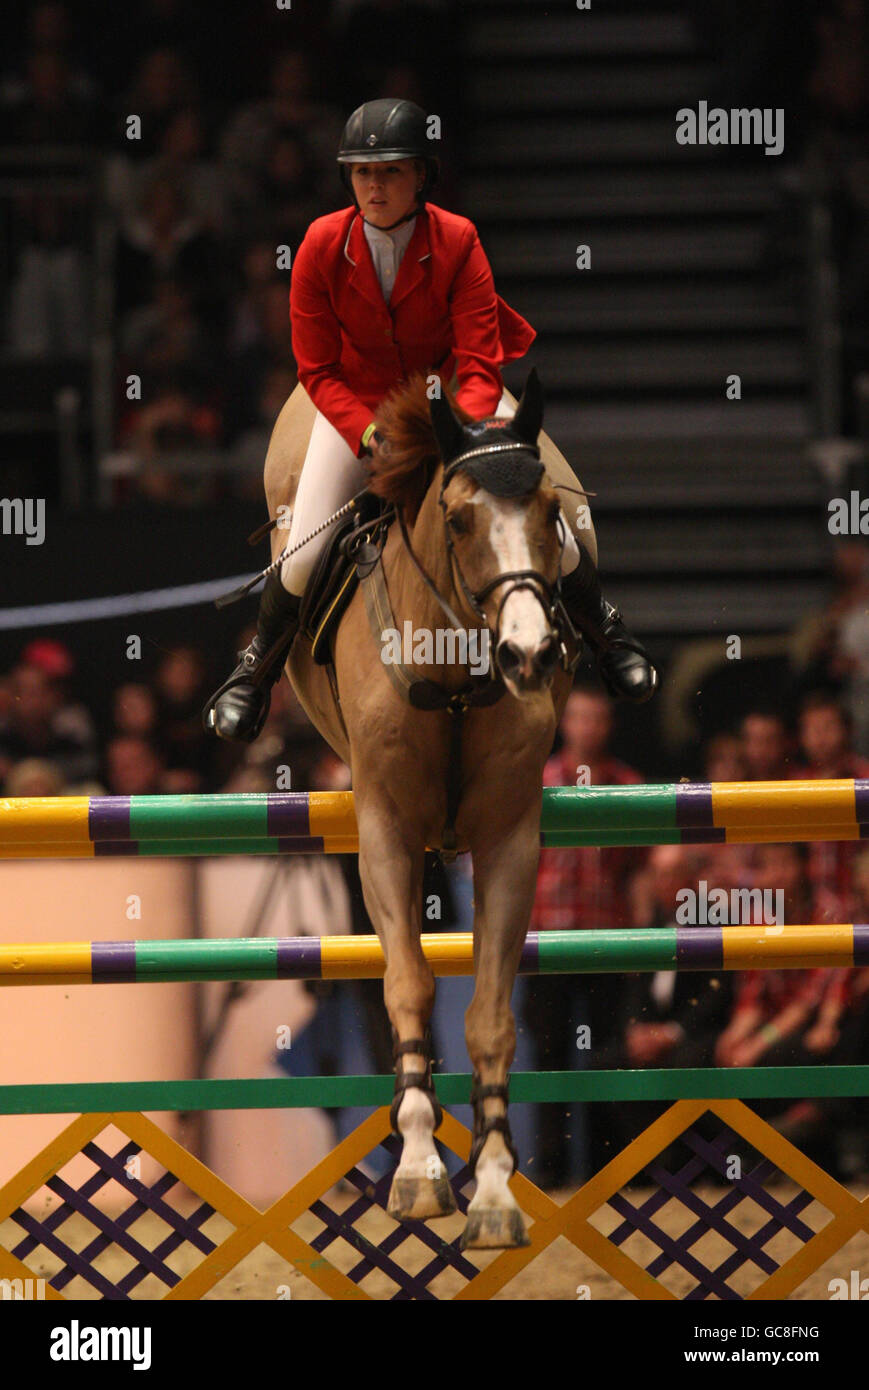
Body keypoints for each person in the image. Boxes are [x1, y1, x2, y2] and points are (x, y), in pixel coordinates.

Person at [204, 98, 657, 743]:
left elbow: (478, 360)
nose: (375, 186)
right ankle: (256, 669)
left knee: (548, 518)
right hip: (363, 408)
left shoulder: (458, 239)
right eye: (362, 173)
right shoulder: (320, 246)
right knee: (302, 551)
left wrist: (459, 437)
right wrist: (369, 434)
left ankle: (607, 635)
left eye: (389, 171)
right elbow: (317, 370)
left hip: (458, 398)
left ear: (422, 176)